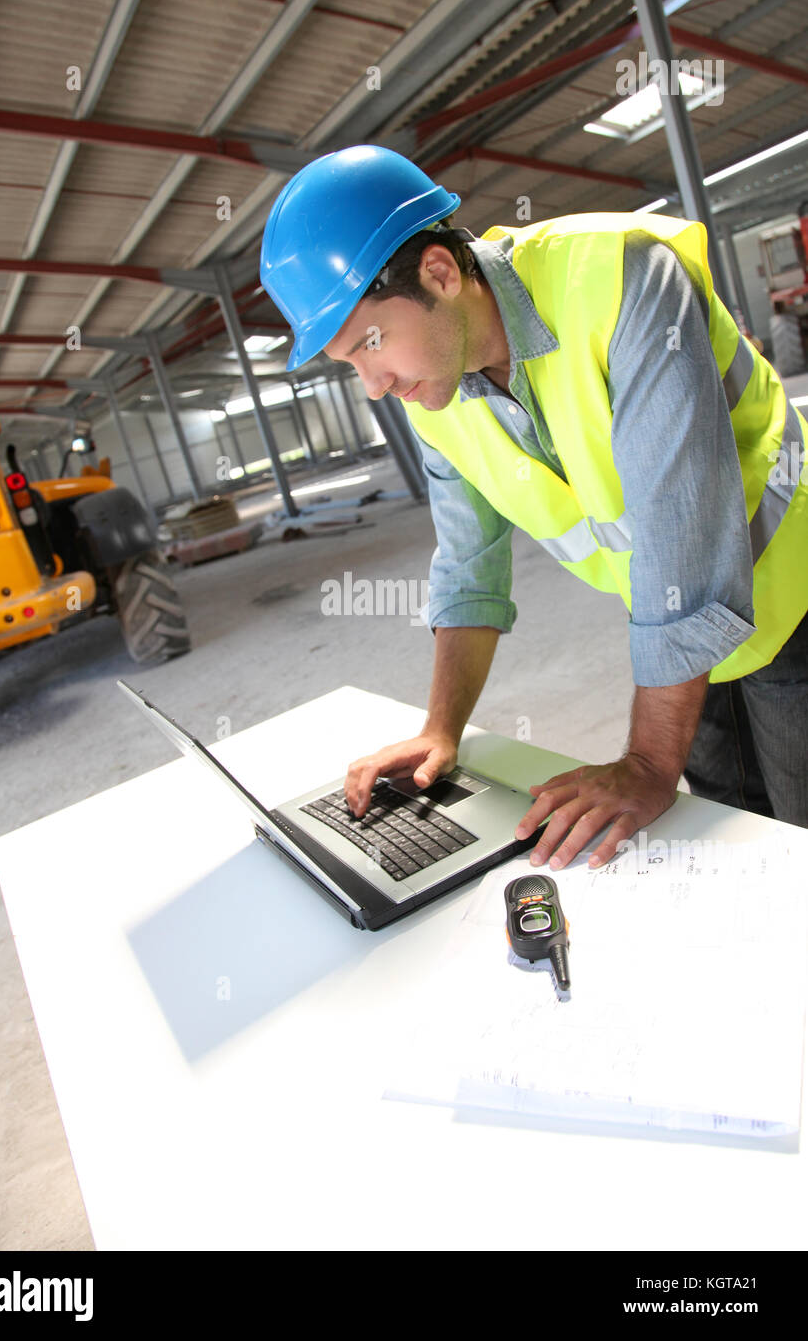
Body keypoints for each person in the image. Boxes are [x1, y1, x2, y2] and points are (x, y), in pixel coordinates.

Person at [260, 145, 808, 870]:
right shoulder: (435, 393)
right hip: (675, 631)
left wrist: (645, 763)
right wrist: (440, 729)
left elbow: (686, 536)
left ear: (440, 272)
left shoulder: (622, 278)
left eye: (371, 341)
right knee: (735, 846)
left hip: (791, 595)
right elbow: (468, 569)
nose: (373, 384)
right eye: (349, 362)